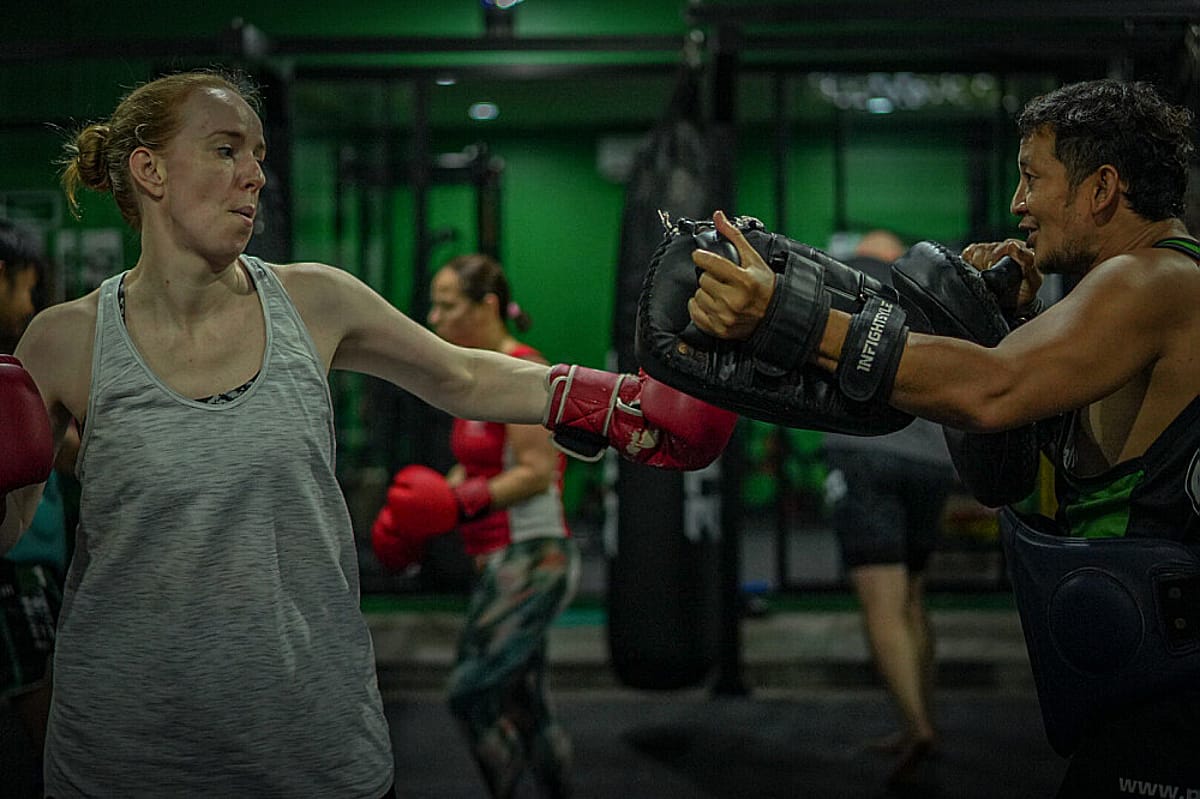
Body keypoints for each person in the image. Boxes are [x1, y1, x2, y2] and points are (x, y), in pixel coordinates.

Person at [0, 68, 735, 797]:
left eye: (258, 153)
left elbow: (460, 374)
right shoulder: (65, 342)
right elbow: (10, 532)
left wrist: (613, 404)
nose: (254, 174)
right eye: (226, 149)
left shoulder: (311, 300)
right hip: (125, 756)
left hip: (310, 746)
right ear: (149, 169)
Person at [686, 78, 1200, 796]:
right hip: (1142, 680)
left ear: (1102, 187)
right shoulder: (1136, 286)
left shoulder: (1152, 281)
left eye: (1032, 177)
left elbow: (991, 391)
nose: (1019, 203)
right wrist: (1006, 321)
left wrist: (788, 317)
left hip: (1173, 699)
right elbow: (1021, 456)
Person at [372, 253, 579, 799]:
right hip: (498, 555)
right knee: (525, 702)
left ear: (487, 306)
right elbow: (478, 464)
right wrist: (423, 508)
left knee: (470, 693)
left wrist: (458, 502)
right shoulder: (475, 374)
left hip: (533, 554)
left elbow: (536, 474)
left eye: (447, 305)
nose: (435, 319)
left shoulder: (524, 371)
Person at [822, 230, 957, 786]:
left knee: (882, 600)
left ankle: (916, 724)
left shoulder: (834, 288)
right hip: (931, 460)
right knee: (913, 598)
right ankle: (920, 722)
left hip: (866, 456)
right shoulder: (922, 300)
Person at [0, 219, 79, 797]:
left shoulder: (20, 368)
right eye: (26, 289)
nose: (30, 306)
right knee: (43, 709)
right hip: (15, 569)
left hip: (39, 563)